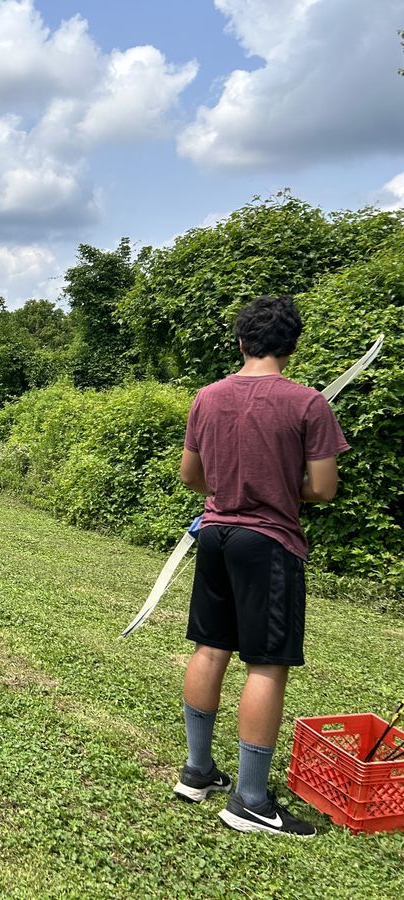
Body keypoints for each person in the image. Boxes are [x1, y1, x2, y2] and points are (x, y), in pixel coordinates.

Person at [172, 295, 347, 839]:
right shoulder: (308, 404)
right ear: (291, 346)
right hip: (268, 542)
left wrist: (232, 486)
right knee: (267, 664)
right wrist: (277, 483)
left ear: (242, 342)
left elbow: (191, 476)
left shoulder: (208, 397)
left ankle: (197, 771)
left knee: (210, 646)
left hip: (217, 535)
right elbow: (321, 488)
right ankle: (249, 799)